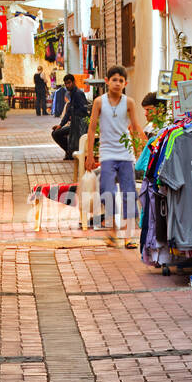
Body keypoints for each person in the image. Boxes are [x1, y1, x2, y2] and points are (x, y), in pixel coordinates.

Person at [83, 66, 146, 247]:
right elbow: (92, 129)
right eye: (114, 80)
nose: (117, 83)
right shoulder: (99, 102)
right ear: (107, 81)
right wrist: (89, 155)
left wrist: (143, 147)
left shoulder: (129, 102)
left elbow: (135, 126)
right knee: (107, 191)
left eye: (121, 80)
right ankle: (112, 230)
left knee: (129, 193)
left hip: (126, 154)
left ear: (125, 83)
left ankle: (128, 236)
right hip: (107, 154)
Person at [51, 74, 89, 159]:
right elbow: (68, 112)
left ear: (73, 82)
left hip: (79, 126)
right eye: (66, 84)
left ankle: (71, 152)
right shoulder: (72, 93)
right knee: (55, 133)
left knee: (57, 134)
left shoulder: (79, 94)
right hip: (73, 125)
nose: (67, 85)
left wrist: (74, 114)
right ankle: (69, 151)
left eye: (69, 83)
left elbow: (83, 110)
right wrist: (60, 125)